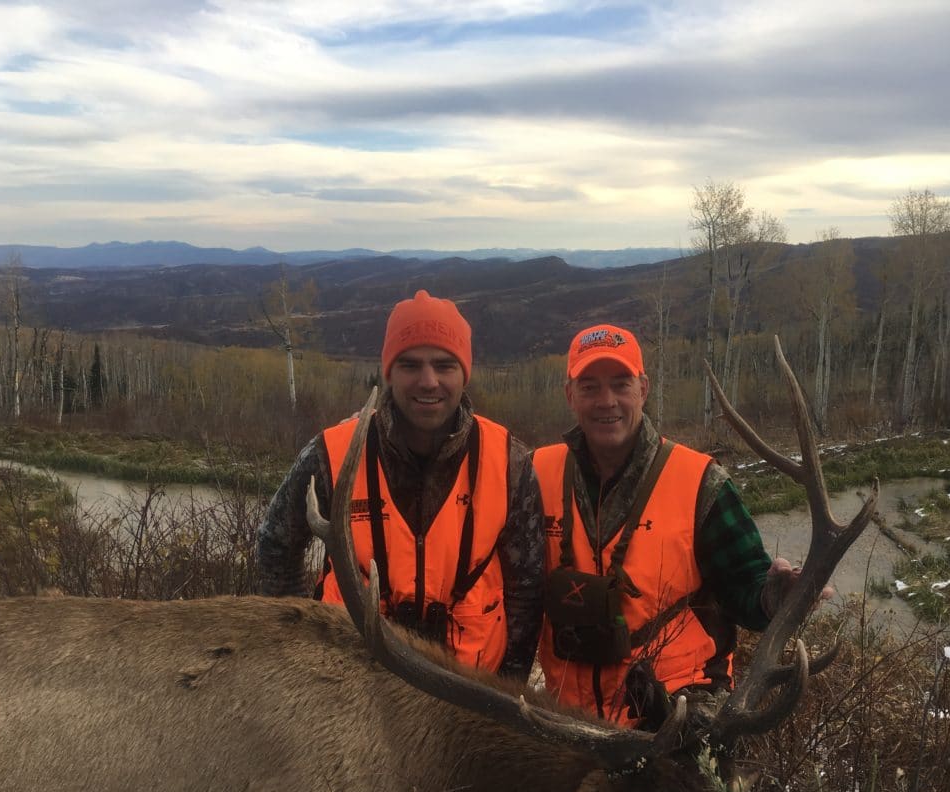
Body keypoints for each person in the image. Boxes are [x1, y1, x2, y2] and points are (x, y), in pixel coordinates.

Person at [533, 323, 822, 727]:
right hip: (569, 717)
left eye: (621, 384)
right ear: (569, 395)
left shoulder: (701, 482)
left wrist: (777, 593)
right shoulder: (536, 474)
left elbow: (748, 592)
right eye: (589, 387)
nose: (606, 401)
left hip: (682, 712)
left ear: (643, 389)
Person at [256, 289, 544, 680]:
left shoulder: (508, 462)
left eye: (444, 365)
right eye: (409, 365)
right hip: (350, 686)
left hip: (469, 697)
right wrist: (295, 645)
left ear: (464, 373)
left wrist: (510, 692)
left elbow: (526, 590)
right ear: (389, 372)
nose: (428, 382)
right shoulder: (333, 454)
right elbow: (276, 544)